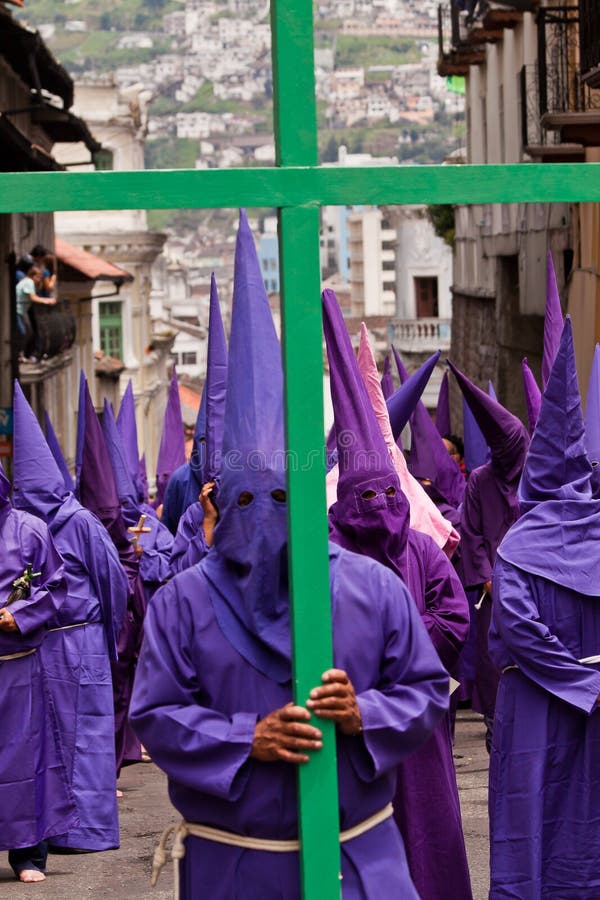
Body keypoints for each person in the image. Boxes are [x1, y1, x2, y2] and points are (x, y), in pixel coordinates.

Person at [130, 212, 449, 899]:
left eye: (279, 499)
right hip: (234, 868)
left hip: (361, 864)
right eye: (246, 503)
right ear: (215, 503)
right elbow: (154, 714)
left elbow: (425, 690)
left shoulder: (374, 589)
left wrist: (364, 713)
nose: (264, 520)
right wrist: (249, 736)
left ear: (307, 500)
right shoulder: (183, 604)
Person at [325, 294, 472, 900]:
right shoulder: (325, 558)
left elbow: (456, 617)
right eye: (368, 499)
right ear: (343, 503)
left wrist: (400, 644)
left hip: (415, 716)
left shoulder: (421, 549)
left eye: (392, 494)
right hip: (348, 722)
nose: (382, 509)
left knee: (427, 830)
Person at [489, 318, 600, 898]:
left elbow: (518, 628)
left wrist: (575, 680)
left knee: (532, 824)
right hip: (593, 697)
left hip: (536, 700)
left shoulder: (516, 543)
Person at [12, 382, 128, 852]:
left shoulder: (79, 521)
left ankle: (91, 830)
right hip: (43, 646)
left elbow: (112, 581)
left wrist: (107, 635)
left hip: (82, 641)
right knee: (52, 740)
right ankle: (55, 829)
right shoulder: (20, 527)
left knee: (88, 737)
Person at [0, 459, 76, 883]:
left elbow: (56, 585)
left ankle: (28, 855)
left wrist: (19, 614)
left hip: (17, 667)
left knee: (24, 759)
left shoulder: (29, 529)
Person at [448, 361, 529, 751]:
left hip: (530, 585)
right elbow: (472, 534)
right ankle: (495, 731)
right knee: (494, 664)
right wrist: (486, 578)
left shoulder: (533, 474)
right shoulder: (480, 479)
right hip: (491, 590)